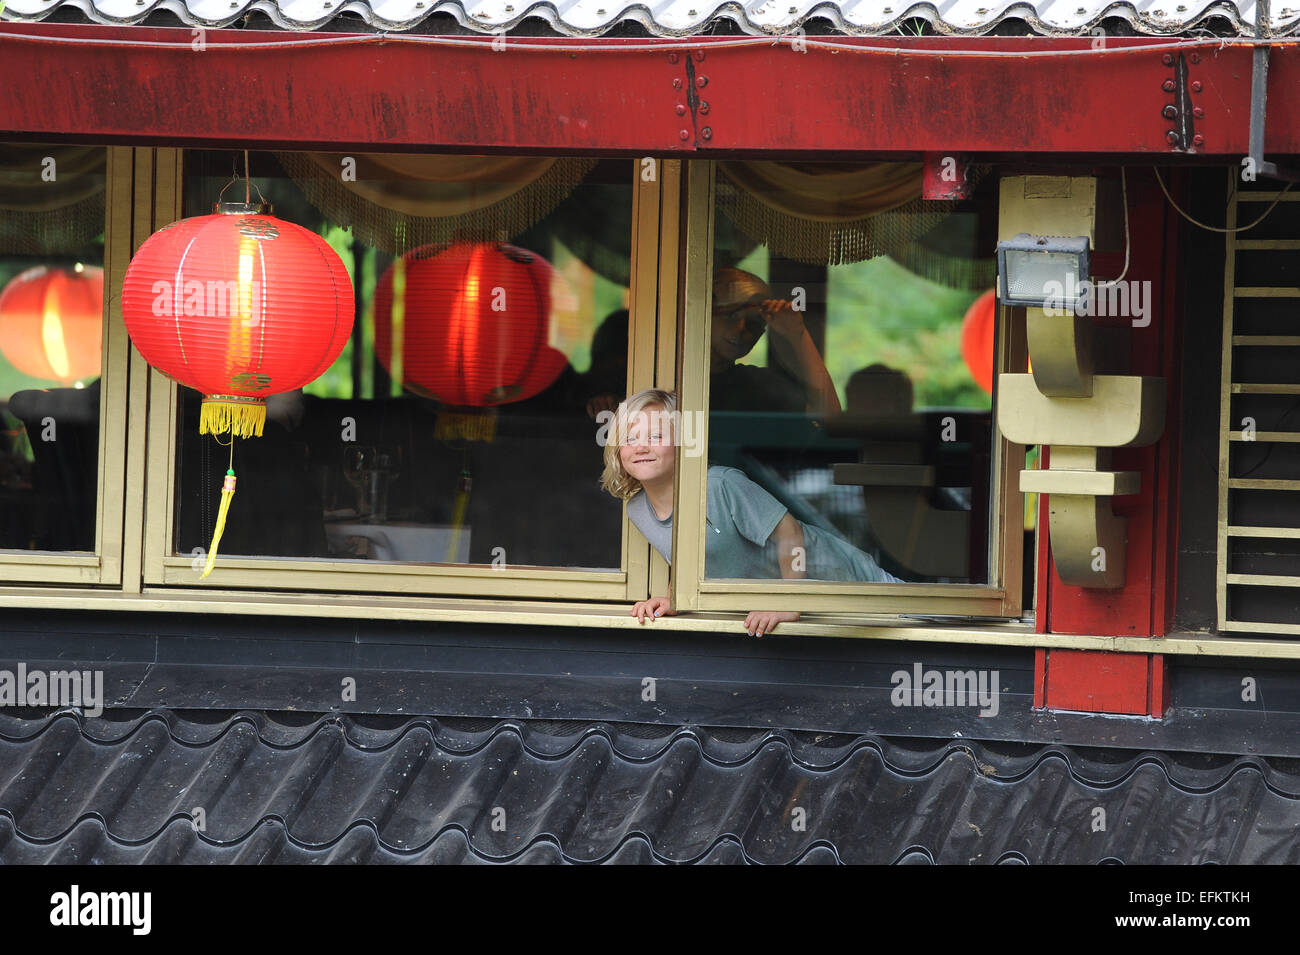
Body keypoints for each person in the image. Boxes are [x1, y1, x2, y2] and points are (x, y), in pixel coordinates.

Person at [600, 388, 901, 637]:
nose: (640, 447)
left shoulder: (719, 485)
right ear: (617, 450)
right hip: (817, 617)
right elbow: (682, 555)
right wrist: (673, 599)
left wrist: (789, 600)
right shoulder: (637, 510)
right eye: (630, 438)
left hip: (854, 584)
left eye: (655, 437)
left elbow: (790, 532)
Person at [709, 268, 841, 416]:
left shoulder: (757, 386)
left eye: (754, 321)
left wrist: (798, 334)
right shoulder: (679, 376)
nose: (741, 328)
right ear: (704, 313)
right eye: (731, 314)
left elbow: (829, 416)